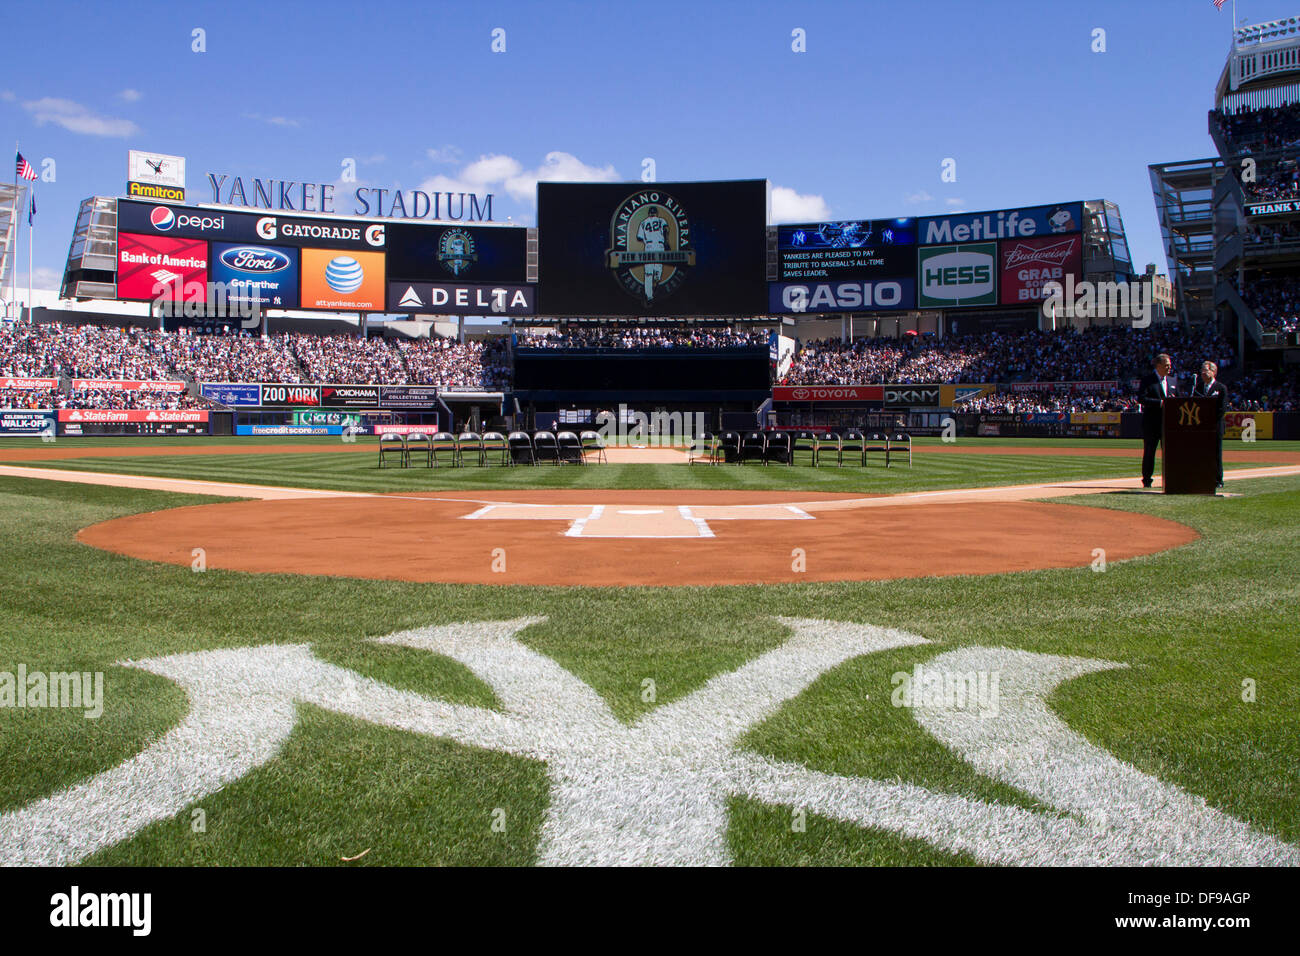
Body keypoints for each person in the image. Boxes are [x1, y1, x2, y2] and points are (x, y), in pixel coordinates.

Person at [1138, 353, 1177, 488]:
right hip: (1151, 423)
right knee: (1150, 452)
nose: (1169, 368)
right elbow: (1141, 399)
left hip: (1167, 423)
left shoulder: (1172, 381)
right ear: (1158, 365)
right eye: (1166, 365)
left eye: (1170, 365)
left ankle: (1171, 478)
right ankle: (1147, 480)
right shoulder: (1147, 380)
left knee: (1169, 452)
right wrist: (1160, 403)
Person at [1192, 359, 1228, 487]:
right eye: (1201, 370)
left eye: (1205, 370)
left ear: (1213, 372)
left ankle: (1218, 480)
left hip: (1215, 426)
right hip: (1201, 427)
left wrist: (1209, 419)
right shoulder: (1198, 388)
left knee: (1216, 454)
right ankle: (1202, 477)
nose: (1202, 373)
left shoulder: (1221, 388)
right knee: (1201, 453)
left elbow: (1222, 409)